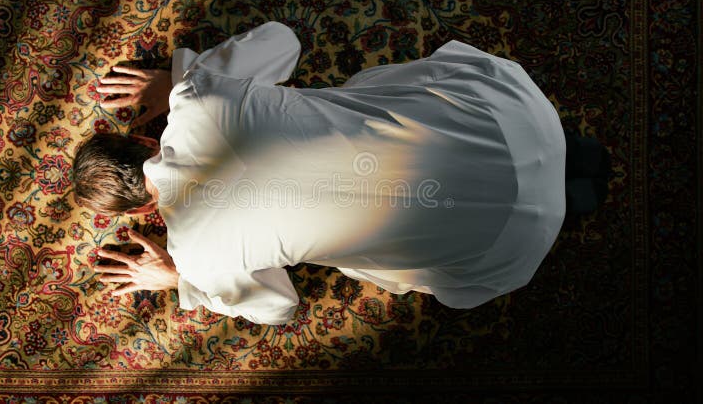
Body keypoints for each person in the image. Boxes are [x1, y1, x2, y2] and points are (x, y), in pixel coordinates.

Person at [72, 21, 570, 325]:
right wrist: (178, 78)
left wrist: (178, 279)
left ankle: (574, 189)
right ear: (142, 140)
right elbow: (283, 43)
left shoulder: (199, 259)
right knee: (376, 99)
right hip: (517, 122)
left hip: (507, 243)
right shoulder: (197, 95)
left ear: (140, 208)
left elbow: (279, 308)